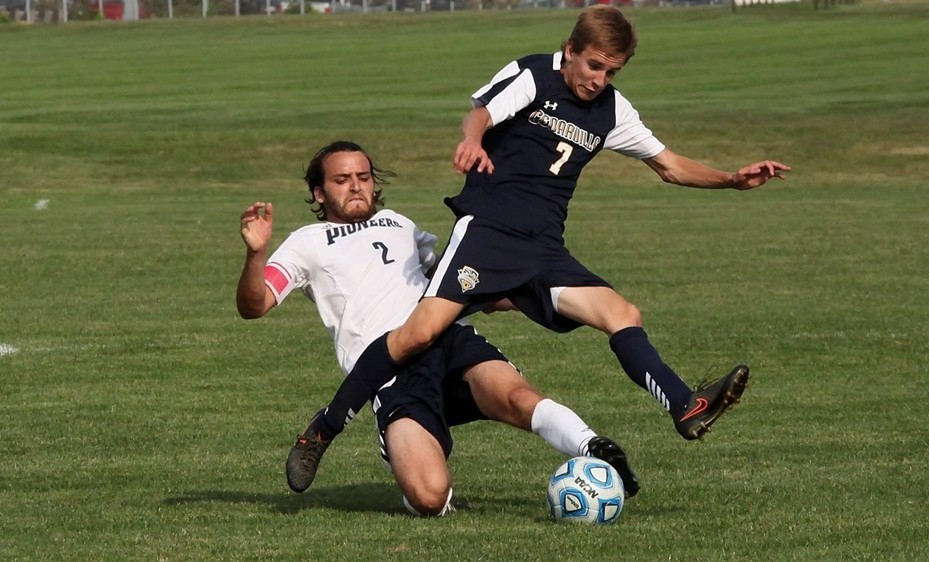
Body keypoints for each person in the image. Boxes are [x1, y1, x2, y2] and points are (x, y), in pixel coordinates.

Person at [296, 6, 791, 473]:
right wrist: (471, 140)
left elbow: (668, 164)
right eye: (594, 65)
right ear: (570, 48)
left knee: (623, 314)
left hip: (543, 251)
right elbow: (481, 115)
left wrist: (730, 178)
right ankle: (325, 427)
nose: (599, 80)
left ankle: (685, 406)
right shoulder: (536, 76)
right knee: (416, 336)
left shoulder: (611, 111)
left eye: (612, 72)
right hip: (486, 236)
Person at [236, 140, 638, 515]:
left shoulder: (401, 225)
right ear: (319, 193)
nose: (356, 187)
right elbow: (254, 306)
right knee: (429, 498)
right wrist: (256, 254)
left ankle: (593, 446)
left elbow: (456, 282)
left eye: (363, 177)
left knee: (516, 395)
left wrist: (523, 293)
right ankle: (405, 443)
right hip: (388, 372)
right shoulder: (307, 242)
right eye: (342, 180)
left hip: (449, 341)